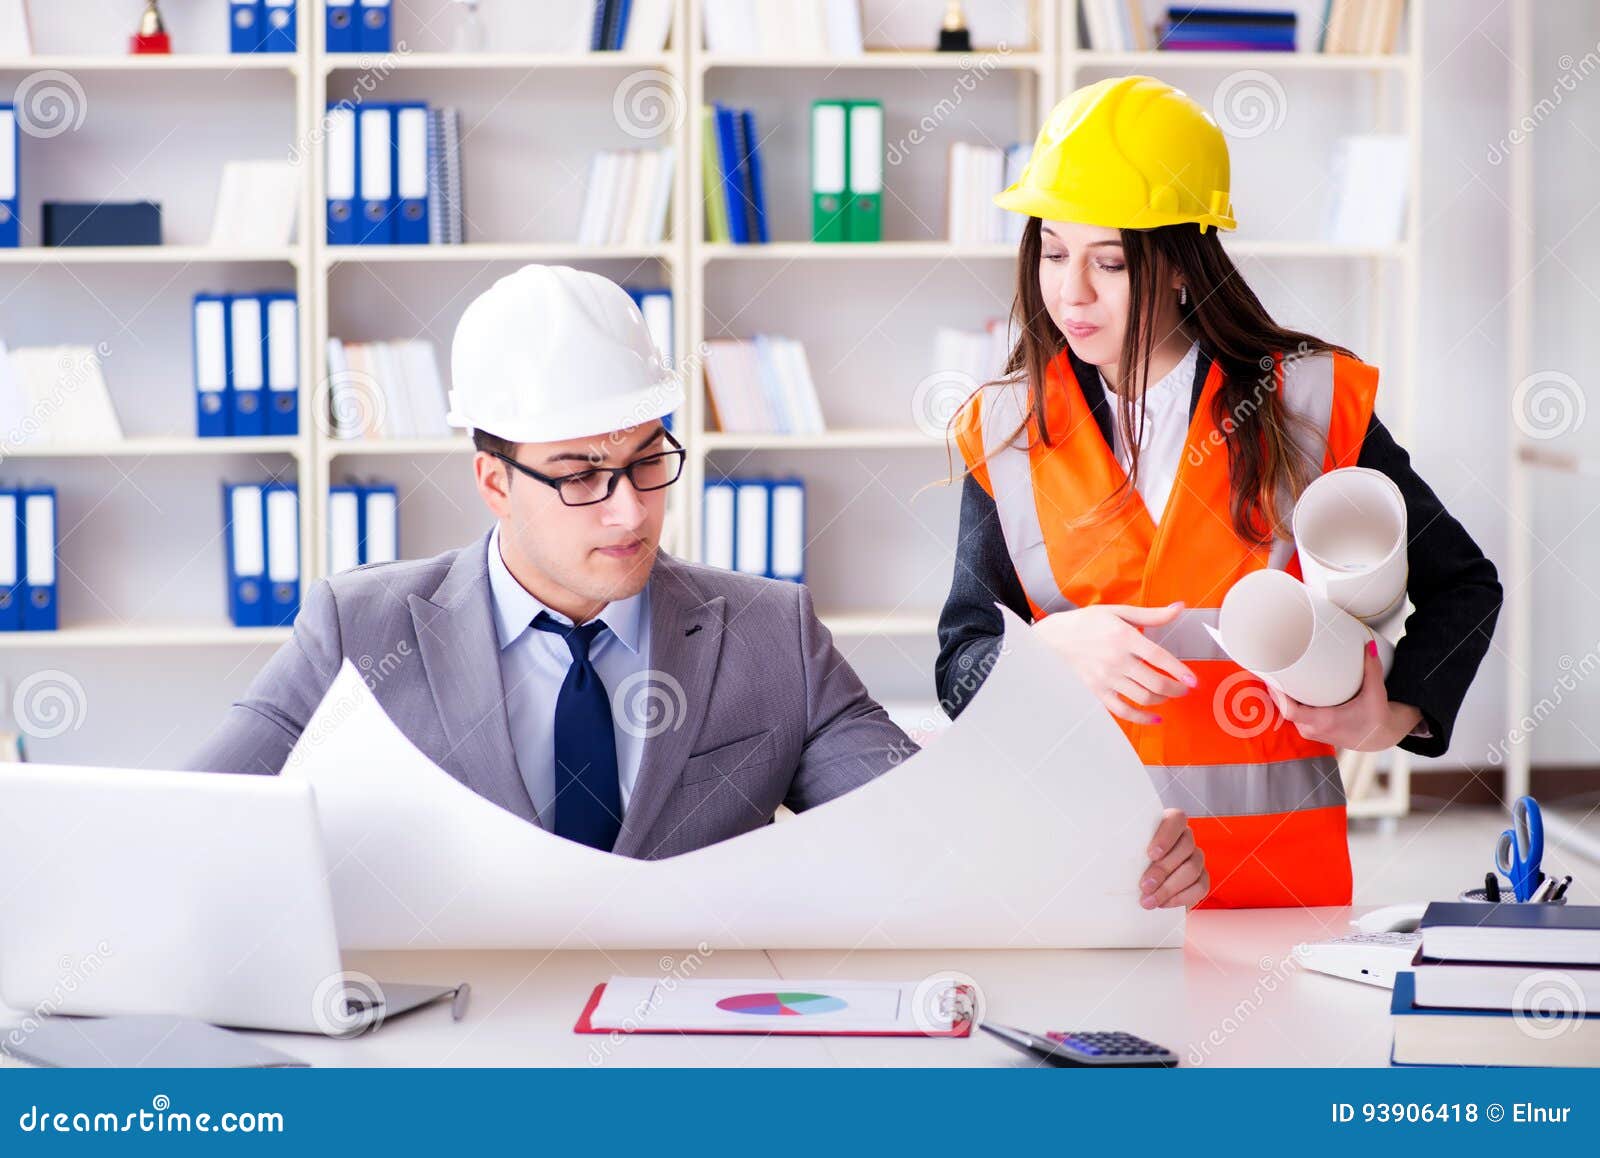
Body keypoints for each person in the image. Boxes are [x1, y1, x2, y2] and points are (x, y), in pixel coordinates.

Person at [937, 77, 1502, 909]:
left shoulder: (1306, 406)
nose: (1072, 293)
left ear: (1178, 265)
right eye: (1053, 252)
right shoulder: (1009, 429)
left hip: (1277, 878)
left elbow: (1464, 585)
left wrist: (1395, 714)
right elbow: (959, 668)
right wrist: (1047, 652)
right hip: (1083, 875)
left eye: (1111, 261)